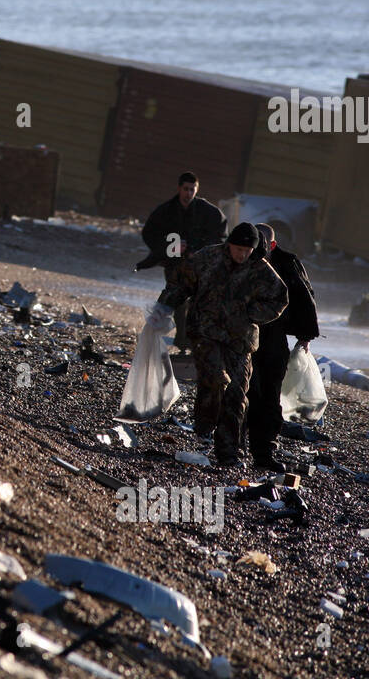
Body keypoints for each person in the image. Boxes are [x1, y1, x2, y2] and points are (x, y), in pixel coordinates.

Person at [149, 221, 287, 467]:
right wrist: (163, 309)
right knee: (214, 380)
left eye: (247, 251)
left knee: (236, 394)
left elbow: (279, 299)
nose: (242, 255)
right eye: (238, 249)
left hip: (239, 341)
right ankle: (204, 421)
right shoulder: (207, 258)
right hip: (205, 332)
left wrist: (250, 313)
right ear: (229, 245)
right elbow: (180, 284)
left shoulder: (261, 269)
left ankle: (228, 453)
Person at [243, 222, 320, 467]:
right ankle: (234, 445)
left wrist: (305, 335)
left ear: (272, 245)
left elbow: (304, 296)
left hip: (273, 336)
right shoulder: (240, 257)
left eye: (263, 243)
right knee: (243, 392)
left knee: (268, 394)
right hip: (243, 335)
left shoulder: (286, 263)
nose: (258, 247)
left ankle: (263, 451)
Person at [137, 172, 227, 353]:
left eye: (192, 189)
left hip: (200, 266)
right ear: (179, 189)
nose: (188, 193)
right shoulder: (166, 211)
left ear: (197, 189)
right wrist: (171, 245)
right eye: (185, 189)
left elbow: (220, 237)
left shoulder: (208, 212)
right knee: (176, 301)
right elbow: (150, 234)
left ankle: (193, 341)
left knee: (198, 303)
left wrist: (200, 250)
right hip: (174, 264)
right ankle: (178, 340)